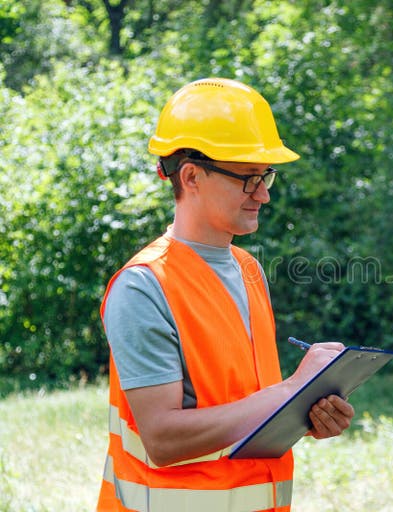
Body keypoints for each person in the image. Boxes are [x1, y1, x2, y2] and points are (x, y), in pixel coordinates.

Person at [96, 77, 355, 511]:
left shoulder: (249, 269)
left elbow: (247, 411)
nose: (265, 194)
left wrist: (306, 412)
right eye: (249, 179)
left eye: (266, 176)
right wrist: (294, 388)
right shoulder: (143, 285)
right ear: (192, 176)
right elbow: (161, 438)